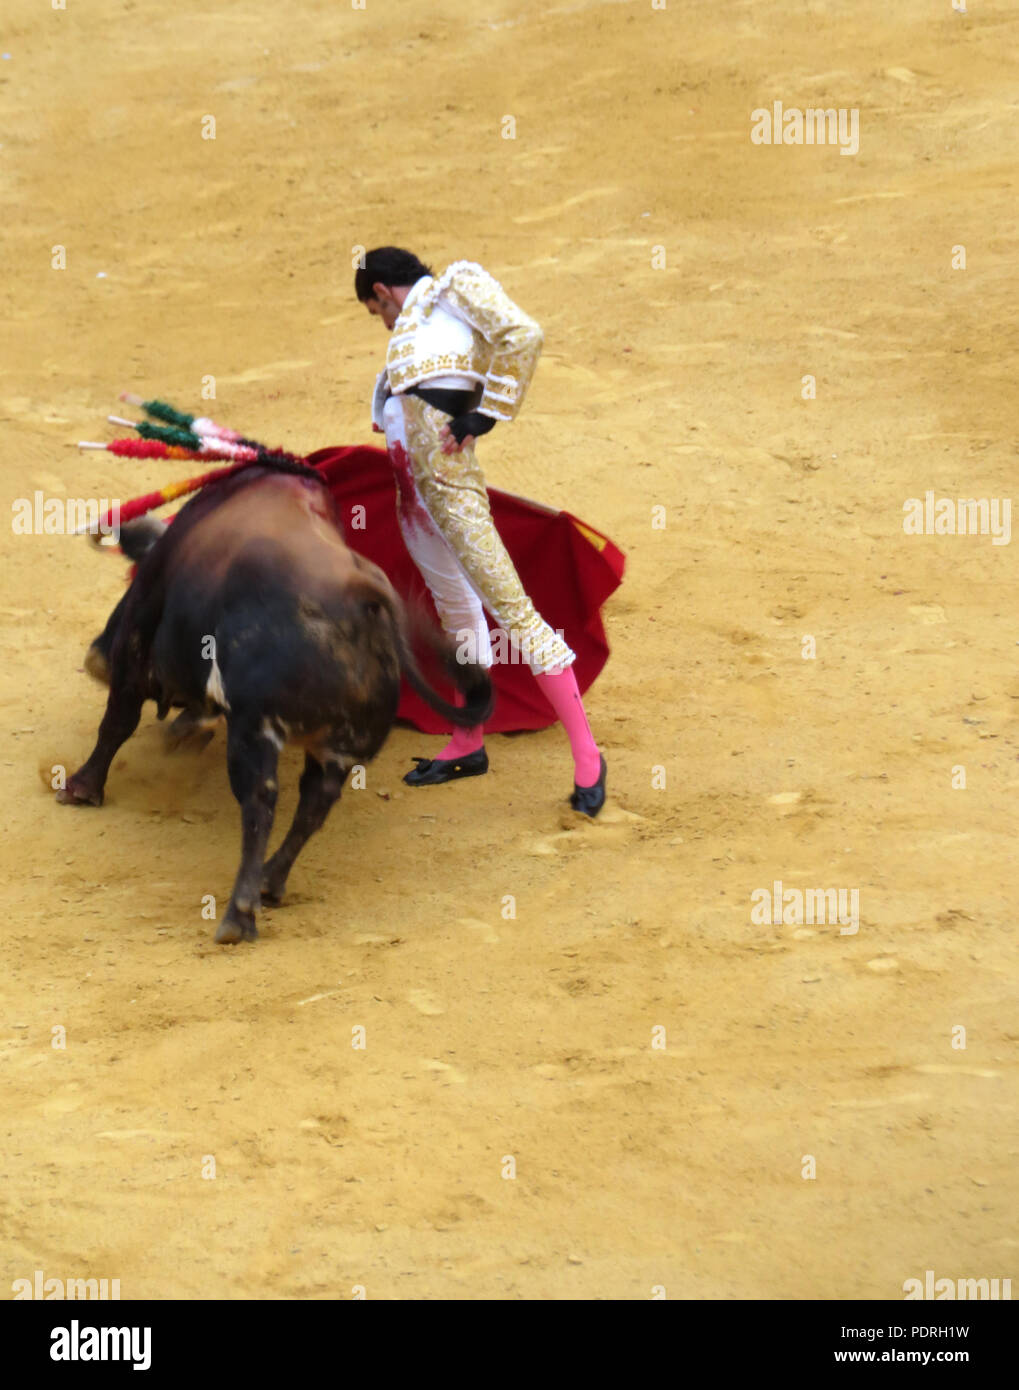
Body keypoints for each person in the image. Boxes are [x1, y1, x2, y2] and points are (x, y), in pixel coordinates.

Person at [355, 247, 607, 816]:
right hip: (413, 505)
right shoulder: (402, 353)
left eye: (376, 311)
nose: (383, 323)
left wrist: (486, 414)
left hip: (453, 493)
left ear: (381, 292)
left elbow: (524, 334)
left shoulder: (453, 289)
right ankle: (469, 741)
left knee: (517, 616)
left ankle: (589, 758)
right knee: (459, 614)